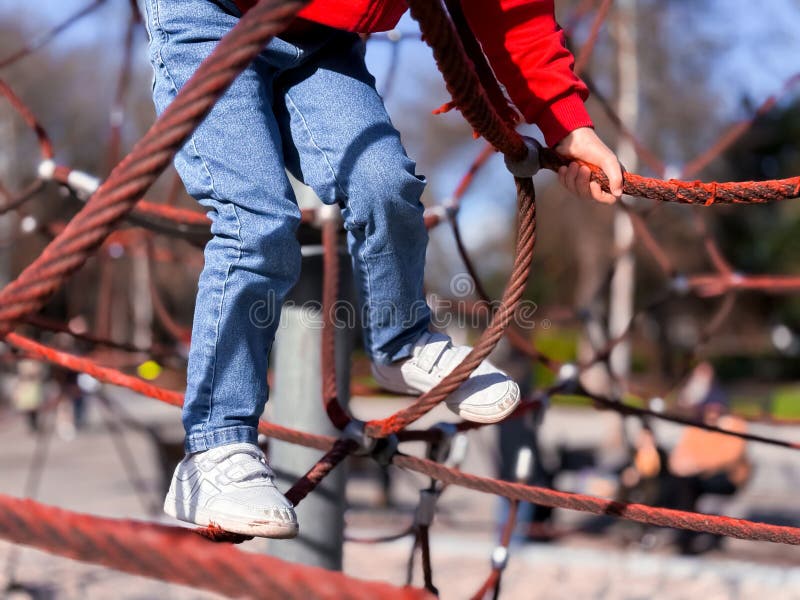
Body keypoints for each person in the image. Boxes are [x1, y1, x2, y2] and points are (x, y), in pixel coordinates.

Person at [140, 0, 623, 538]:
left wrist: (564, 122)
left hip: (320, 37)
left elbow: (509, 9)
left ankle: (402, 343)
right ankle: (216, 447)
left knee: (385, 183)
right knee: (256, 221)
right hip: (210, 13)